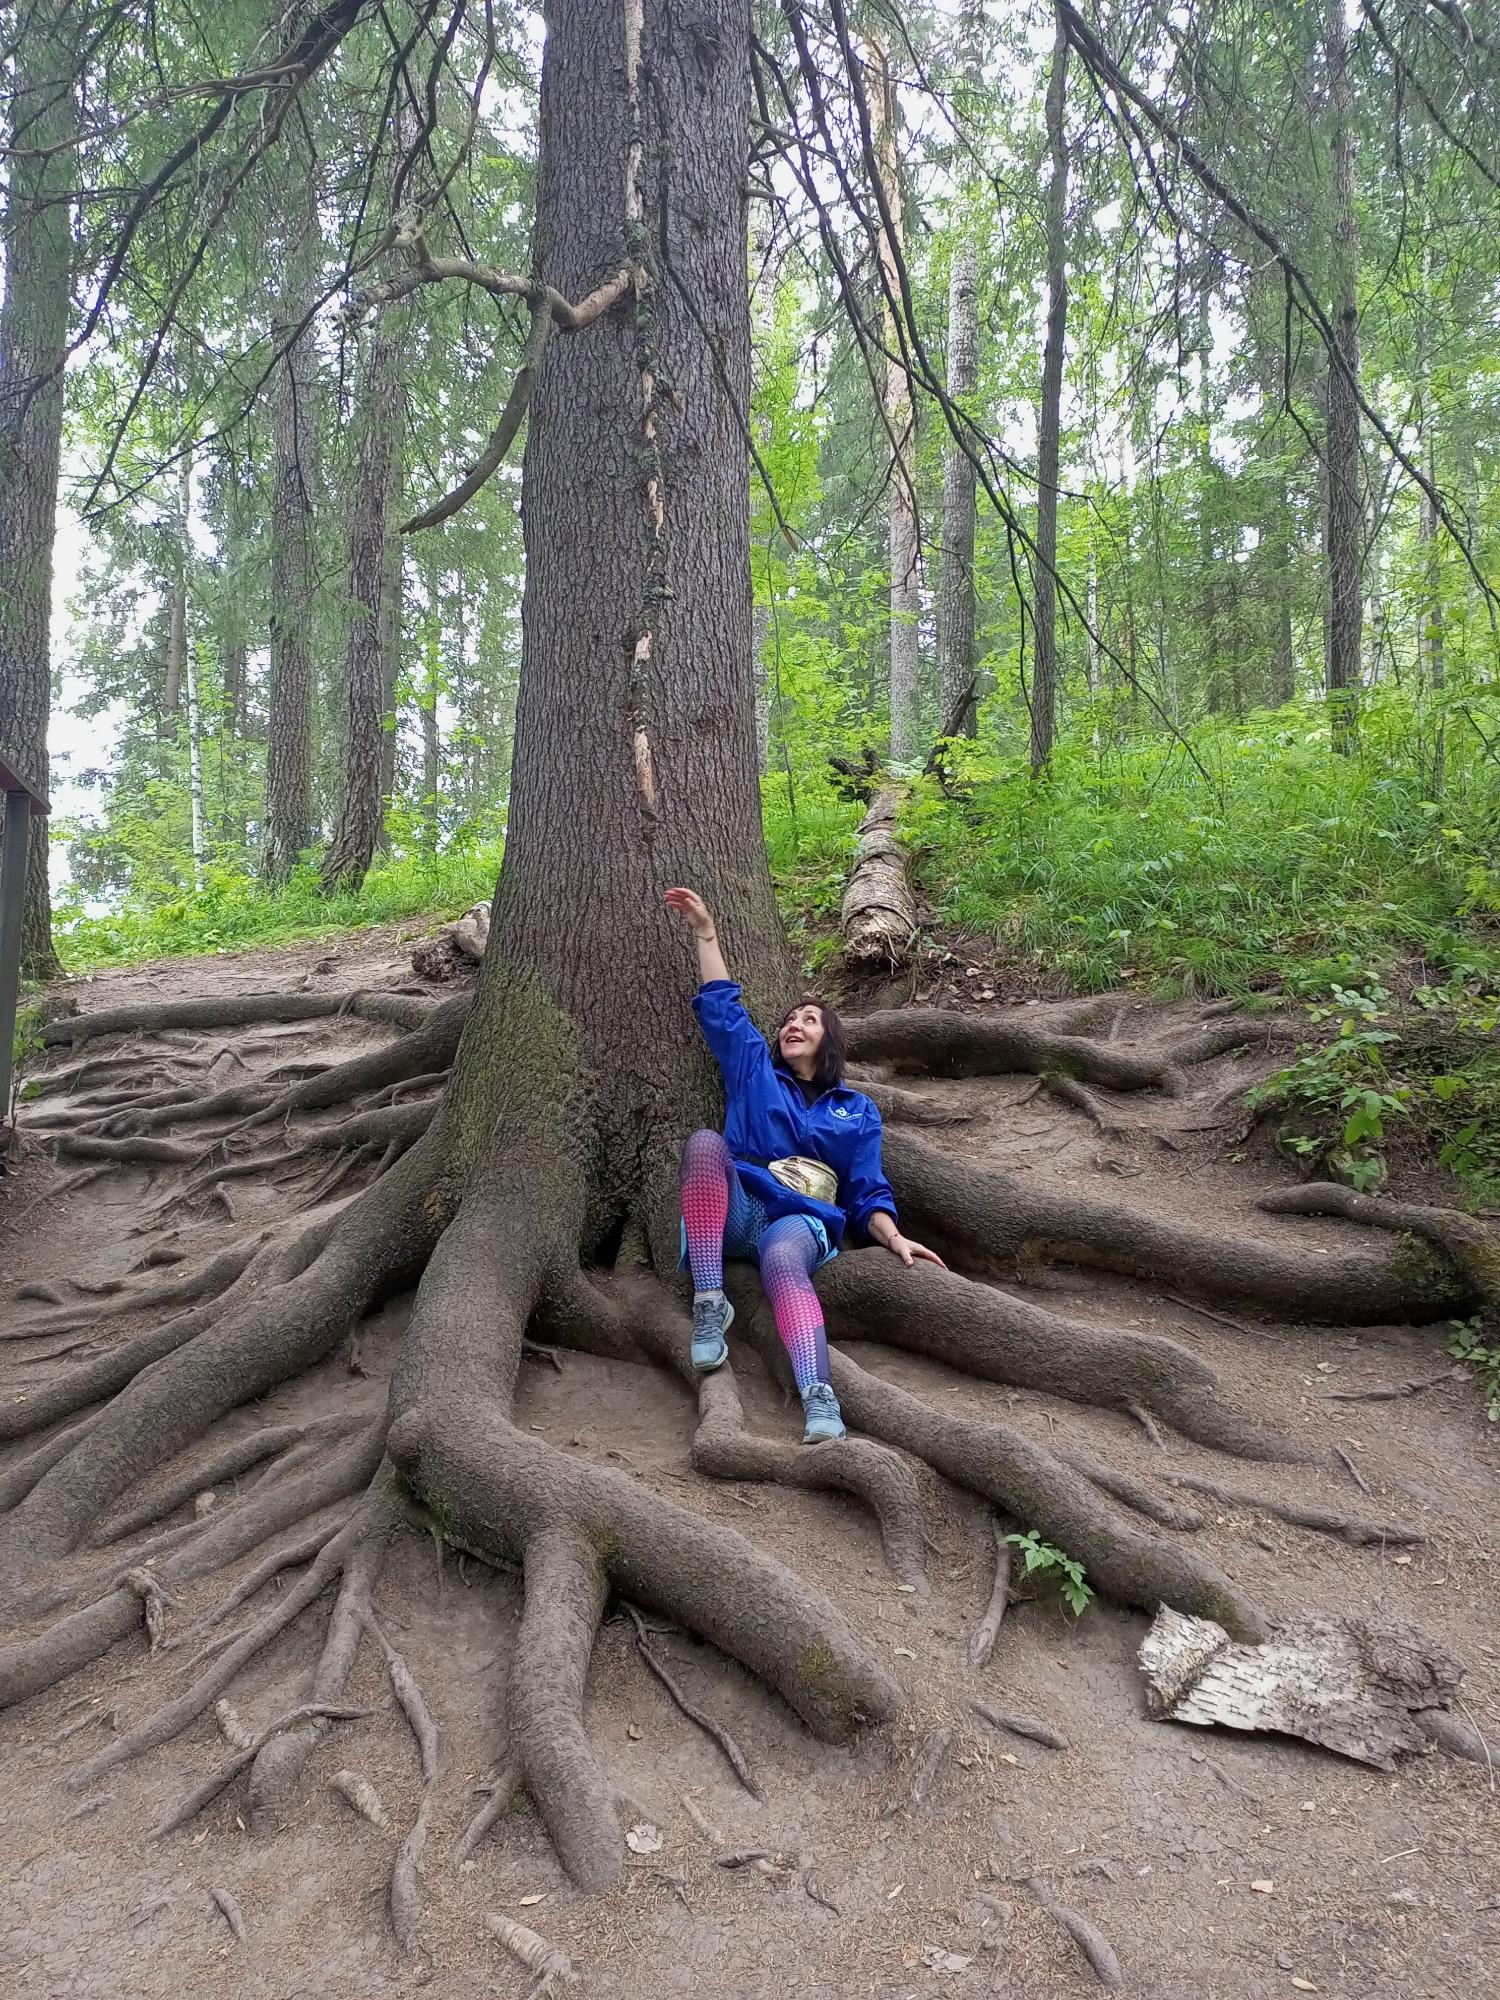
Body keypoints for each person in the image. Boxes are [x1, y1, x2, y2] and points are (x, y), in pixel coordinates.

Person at [664, 887, 944, 1444]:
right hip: (736, 1205)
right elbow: (722, 1008)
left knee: (783, 1258)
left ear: (829, 1041)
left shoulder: (856, 1110)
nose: (794, 1024)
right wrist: (705, 932)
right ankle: (710, 1301)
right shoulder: (754, 1072)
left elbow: (867, 1188)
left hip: (802, 1220)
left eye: (810, 1020)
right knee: (702, 1143)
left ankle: (819, 1396)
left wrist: (894, 1239)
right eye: (790, 1019)